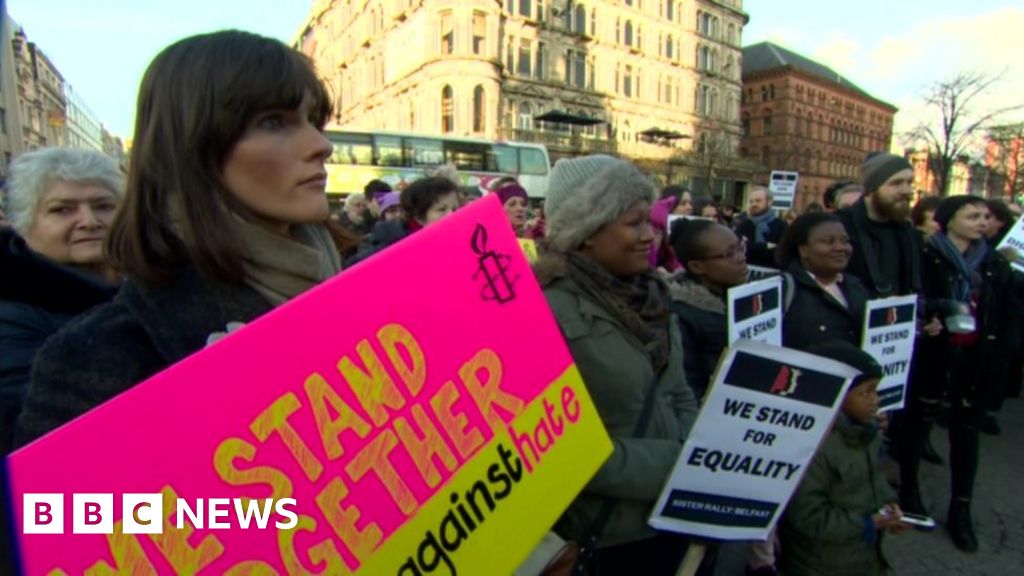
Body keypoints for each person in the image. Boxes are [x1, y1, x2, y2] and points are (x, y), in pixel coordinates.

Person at [14, 30, 360, 446]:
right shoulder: (100, 353)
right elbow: (64, 512)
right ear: (192, 147)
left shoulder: (364, 290)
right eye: (274, 122)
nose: (320, 145)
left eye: (314, 122)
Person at [537, 155, 700, 574]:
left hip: (673, 520)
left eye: (651, 221)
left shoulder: (654, 296)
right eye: (634, 223)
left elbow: (678, 391)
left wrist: (697, 457)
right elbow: (556, 448)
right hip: (603, 538)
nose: (651, 236)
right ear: (587, 231)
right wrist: (677, 462)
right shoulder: (543, 313)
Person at [902, 196, 1014, 552]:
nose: (982, 221)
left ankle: (960, 510)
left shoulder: (995, 262)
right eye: (972, 215)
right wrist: (931, 313)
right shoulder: (926, 256)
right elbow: (913, 298)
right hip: (933, 354)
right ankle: (909, 491)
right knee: (918, 424)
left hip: (976, 360)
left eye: (984, 216)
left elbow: (1008, 310)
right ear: (949, 221)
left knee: (968, 433)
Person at [1, 148, 123, 454]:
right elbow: (29, 432)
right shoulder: (11, 314)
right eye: (63, 210)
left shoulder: (156, 286)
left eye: (103, 206)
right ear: (25, 225)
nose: (89, 221)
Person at [780, 342, 905, 576]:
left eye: (876, 390)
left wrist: (888, 505)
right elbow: (808, 516)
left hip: (862, 558)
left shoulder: (868, 433)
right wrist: (867, 524)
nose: (875, 400)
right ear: (836, 393)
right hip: (819, 565)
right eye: (865, 392)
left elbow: (874, 477)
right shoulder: (813, 448)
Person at [667, 218, 748, 400]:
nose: (741, 258)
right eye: (729, 254)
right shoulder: (680, 316)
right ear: (697, 266)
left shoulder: (743, 299)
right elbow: (686, 388)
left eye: (740, 247)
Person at [776, 213, 869, 352]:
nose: (840, 248)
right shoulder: (782, 291)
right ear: (803, 249)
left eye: (844, 241)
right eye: (829, 241)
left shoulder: (856, 287)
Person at [346, 176, 459, 266]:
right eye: (441, 209)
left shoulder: (463, 243)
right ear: (419, 217)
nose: (451, 214)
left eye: (455, 209)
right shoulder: (388, 244)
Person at [736, 186, 787, 268]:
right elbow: (739, 248)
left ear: (769, 202)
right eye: (751, 201)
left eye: (758, 201)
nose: (754, 204)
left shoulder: (781, 226)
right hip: (747, 271)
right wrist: (766, 246)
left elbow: (782, 252)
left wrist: (752, 246)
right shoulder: (744, 225)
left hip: (773, 272)